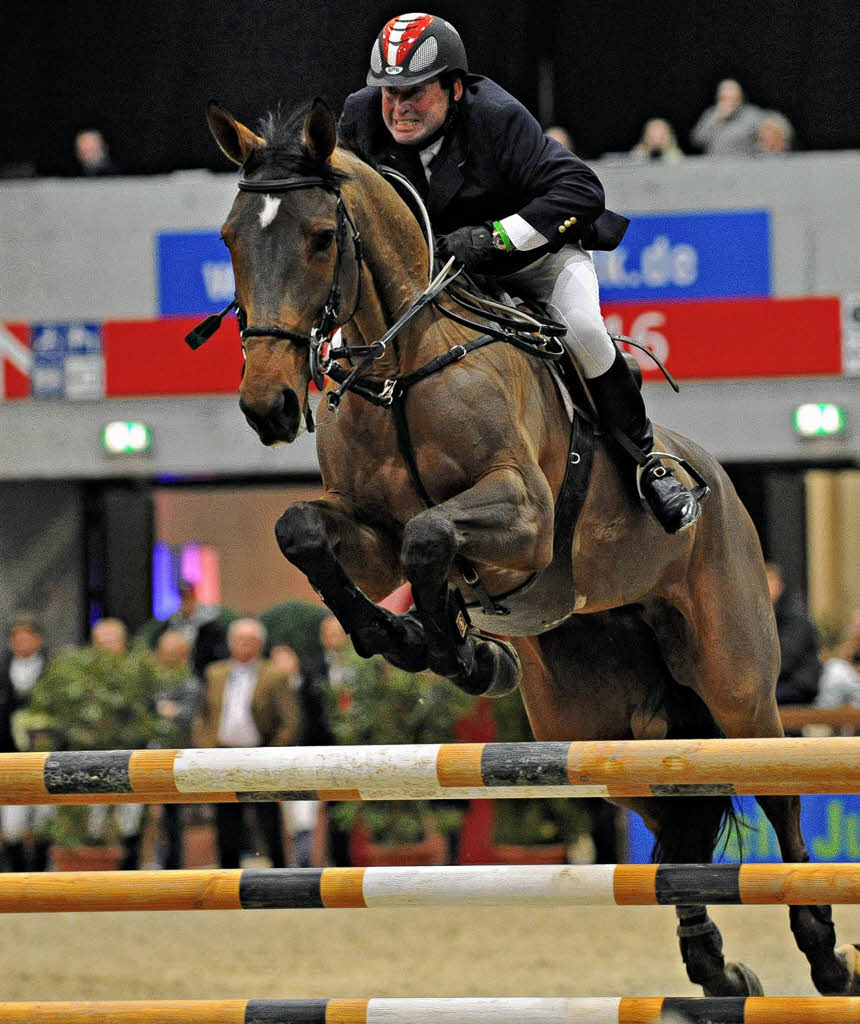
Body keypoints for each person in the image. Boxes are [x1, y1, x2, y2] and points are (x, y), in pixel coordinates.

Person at [338, 12, 704, 535]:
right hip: (438, 274)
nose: (398, 108)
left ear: (455, 88)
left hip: (533, 260)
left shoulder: (496, 116)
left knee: (583, 328)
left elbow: (581, 189)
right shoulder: (359, 117)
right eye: (390, 92)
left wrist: (492, 238)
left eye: (414, 92)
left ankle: (648, 464)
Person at [193, 618, 299, 868]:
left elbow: (290, 720)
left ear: (260, 644)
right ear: (230, 642)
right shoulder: (215, 673)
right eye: (239, 639)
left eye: (250, 640)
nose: (243, 644)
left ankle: (280, 876)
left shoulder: (274, 675)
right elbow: (203, 715)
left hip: (261, 754)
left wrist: (274, 751)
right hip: (223, 754)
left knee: (268, 818)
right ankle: (227, 876)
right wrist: (205, 747)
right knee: (226, 820)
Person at [0, 614, 52, 871]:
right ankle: (17, 874)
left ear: (38, 639)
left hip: (46, 755)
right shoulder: (3, 668)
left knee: (43, 819)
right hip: (10, 752)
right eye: (17, 637)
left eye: (26, 636)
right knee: (12, 823)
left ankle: (40, 873)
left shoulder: (52, 669)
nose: (21, 642)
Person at [153, 630, 202, 868]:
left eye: (175, 653)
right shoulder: (149, 680)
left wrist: (167, 711)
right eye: (166, 652)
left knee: (173, 816)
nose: (169, 657)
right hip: (147, 752)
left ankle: (173, 865)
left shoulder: (190, 682)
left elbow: (188, 715)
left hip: (177, 755)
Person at [764, 563, 820, 706]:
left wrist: (759, 675)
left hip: (799, 683)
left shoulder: (795, 613)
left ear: (779, 585)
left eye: (767, 582)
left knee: (759, 700)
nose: (762, 589)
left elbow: (787, 657)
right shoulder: (766, 615)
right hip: (780, 681)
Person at [150, 580, 229, 680]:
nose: (185, 601)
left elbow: (220, 656)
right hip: (173, 674)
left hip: (201, 675)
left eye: (188, 596)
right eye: (182, 597)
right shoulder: (171, 622)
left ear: (194, 596)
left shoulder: (212, 625)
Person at [690, 79, 763, 157]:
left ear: (741, 98)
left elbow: (766, 140)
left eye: (733, 99)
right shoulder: (711, 114)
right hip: (715, 162)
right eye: (724, 99)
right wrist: (717, 119)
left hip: (742, 162)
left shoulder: (752, 115)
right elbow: (697, 140)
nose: (729, 103)